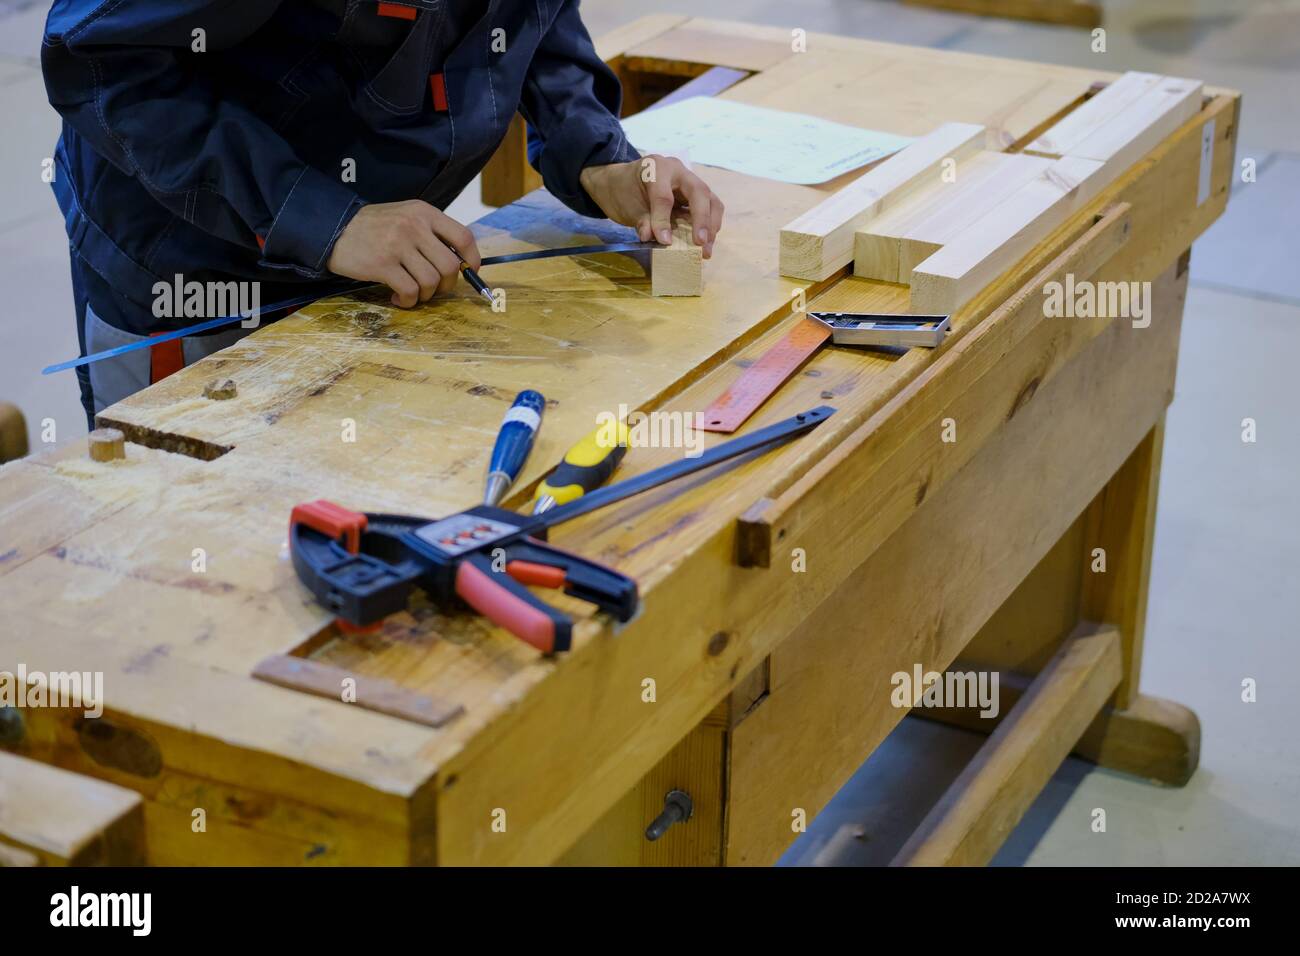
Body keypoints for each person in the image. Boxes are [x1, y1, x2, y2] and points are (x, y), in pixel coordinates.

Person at [41, 1, 724, 425]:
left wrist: (596, 155)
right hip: (194, 272)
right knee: (186, 552)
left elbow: (525, 21)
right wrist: (321, 217)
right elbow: (101, 59)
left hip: (370, 276)